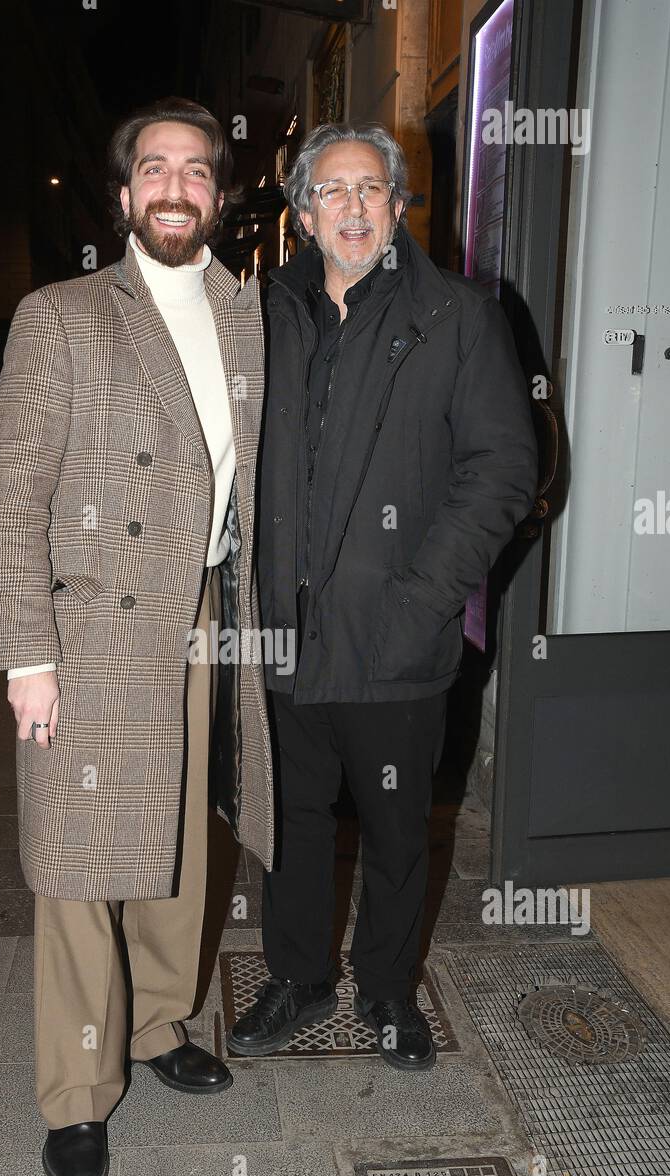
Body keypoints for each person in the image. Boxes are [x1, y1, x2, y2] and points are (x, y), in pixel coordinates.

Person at [0, 97, 273, 1176]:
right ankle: (77, 1089)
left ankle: (155, 1026)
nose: (174, 187)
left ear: (217, 195)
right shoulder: (61, 315)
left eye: (195, 171)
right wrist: (27, 656)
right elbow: (12, 497)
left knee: (181, 845)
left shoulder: (247, 310)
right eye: (154, 168)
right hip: (90, 624)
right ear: (122, 195)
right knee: (75, 867)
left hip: (203, 614)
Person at [229, 122, 537, 1069]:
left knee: (400, 830)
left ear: (399, 208)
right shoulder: (264, 312)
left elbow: (501, 471)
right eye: (332, 191)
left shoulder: (457, 317)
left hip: (395, 637)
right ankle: (297, 975)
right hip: (287, 631)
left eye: (372, 190)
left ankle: (389, 991)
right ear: (304, 214)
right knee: (291, 827)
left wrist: (421, 597)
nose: (353, 207)